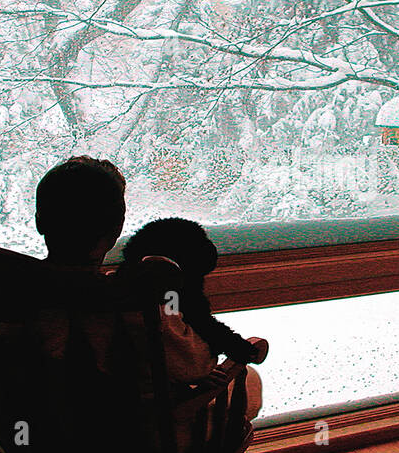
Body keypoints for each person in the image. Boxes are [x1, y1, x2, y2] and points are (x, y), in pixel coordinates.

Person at [33, 156, 263, 424]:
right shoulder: (133, 295)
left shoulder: (9, 289)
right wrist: (203, 364)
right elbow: (192, 365)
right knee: (248, 383)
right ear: (116, 230)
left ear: (40, 222)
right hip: (133, 435)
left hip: (42, 439)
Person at [121, 217, 269, 367]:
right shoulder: (171, 298)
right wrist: (236, 348)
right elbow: (199, 323)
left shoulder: (121, 282)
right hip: (167, 376)